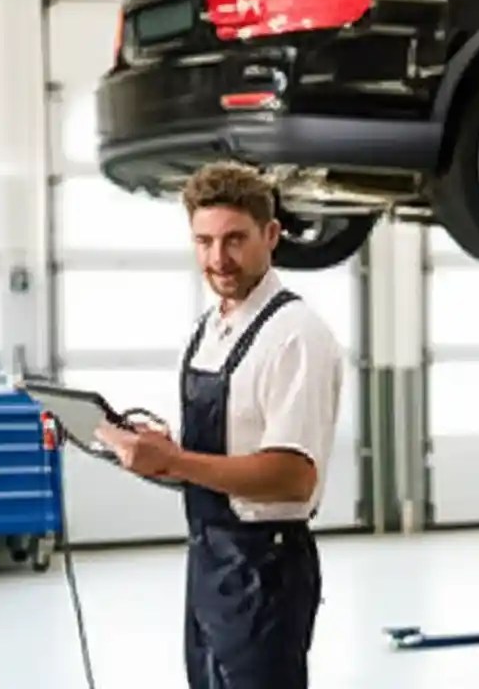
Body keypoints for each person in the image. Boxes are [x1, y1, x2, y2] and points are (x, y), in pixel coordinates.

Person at [95, 161, 344, 689]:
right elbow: (214, 458)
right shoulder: (212, 327)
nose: (217, 259)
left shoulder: (296, 334)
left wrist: (177, 461)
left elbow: (294, 475)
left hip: (266, 569)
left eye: (235, 240)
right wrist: (151, 454)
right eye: (203, 241)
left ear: (271, 235)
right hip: (209, 560)